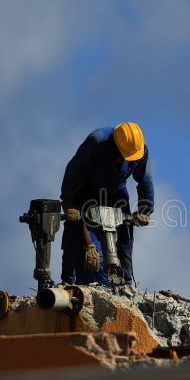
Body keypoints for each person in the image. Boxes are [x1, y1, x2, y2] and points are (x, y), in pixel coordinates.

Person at [60, 121, 154, 285]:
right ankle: (77, 283)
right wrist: (69, 203)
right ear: (115, 145)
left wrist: (144, 210)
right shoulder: (96, 143)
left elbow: (145, 180)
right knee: (88, 251)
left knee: (125, 231)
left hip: (116, 192)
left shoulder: (138, 150)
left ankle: (125, 282)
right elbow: (73, 173)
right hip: (87, 192)